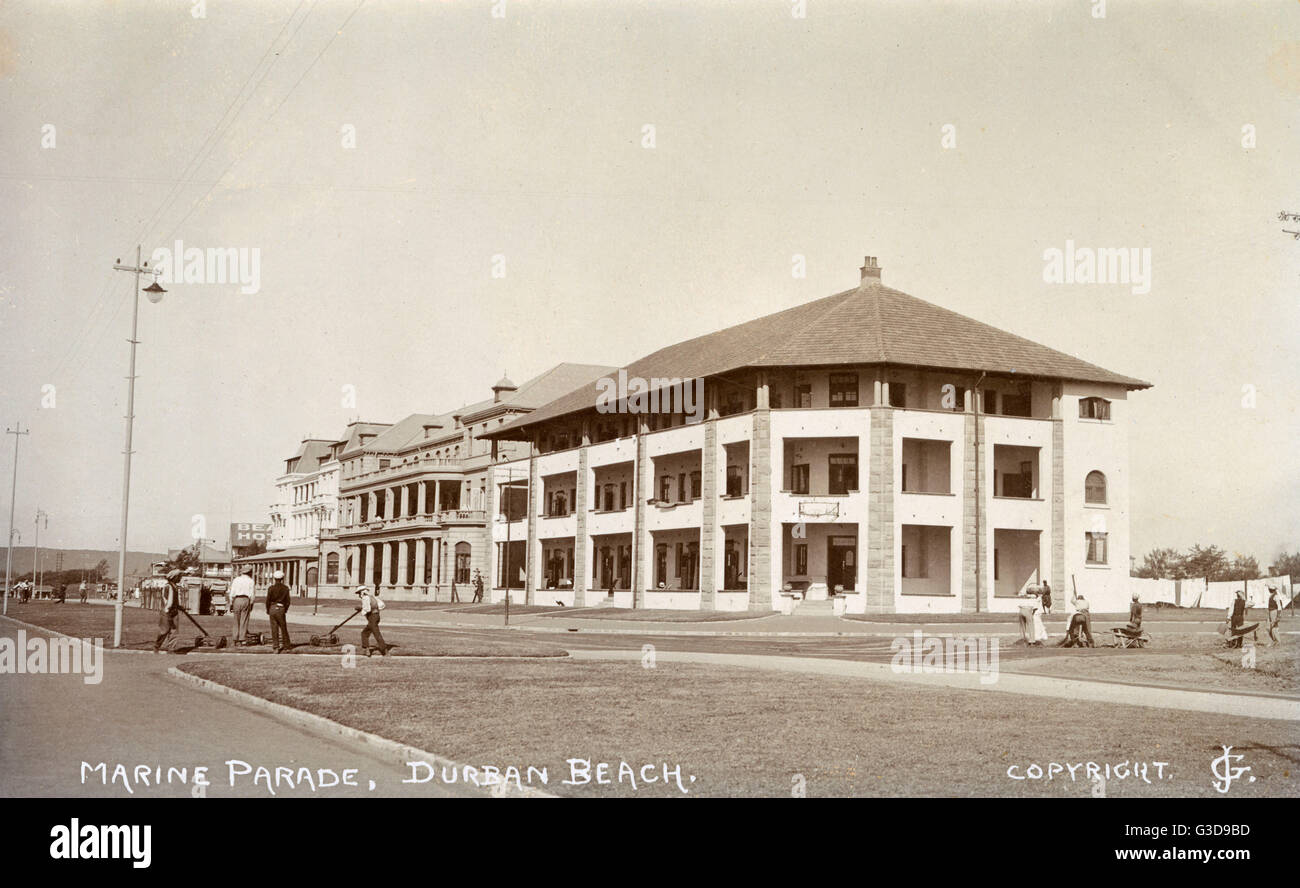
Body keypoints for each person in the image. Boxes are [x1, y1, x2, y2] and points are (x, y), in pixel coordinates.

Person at [356, 585, 389, 657]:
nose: (359, 595)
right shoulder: (373, 597)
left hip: (372, 617)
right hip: (377, 616)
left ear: (362, 592)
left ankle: (385, 651)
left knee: (376, 634)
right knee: (365, 633)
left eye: (359, 593)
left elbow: (367, 609)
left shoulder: (365, 598)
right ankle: (367, 650)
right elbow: (382, 605)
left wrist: (362, 610)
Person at [153, 570, 182, 653]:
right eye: (179, 576)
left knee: (174, 631)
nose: (180, 578)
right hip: (167, 611)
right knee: (164, 630)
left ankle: (171, 649)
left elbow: (174, 600)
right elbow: (168, 601)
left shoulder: (175, 587)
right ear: (174, 577)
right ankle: (156, 646)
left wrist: (179, 606)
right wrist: (168, 610)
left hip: (174, 611)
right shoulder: (168, 587)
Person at [265, 570, 292, 653]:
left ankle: (276, 647)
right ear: (282, 578)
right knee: (283, 628)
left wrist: (268, 609)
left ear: (274, 578)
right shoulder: (285, 588)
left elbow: (268, 600)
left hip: (272, 607)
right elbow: (288, 601)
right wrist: (285, 609)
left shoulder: (271, 588)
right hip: (281, 608)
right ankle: (286, 646)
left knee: (274, 628)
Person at [229, 567, 256, 645]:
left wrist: (231, 603)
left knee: (236, 620)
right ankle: (242, 638)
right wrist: (251, 603)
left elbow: (232, 592)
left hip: (237, 599)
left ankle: (235, 638)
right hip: (245, 599)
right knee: (244, 619)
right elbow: (252, 594)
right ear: (249, 572)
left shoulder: (236, 580)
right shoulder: (251, 581)